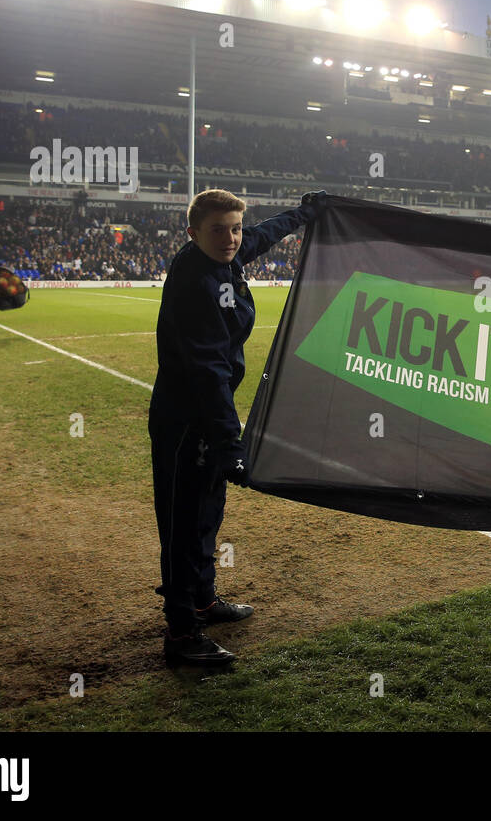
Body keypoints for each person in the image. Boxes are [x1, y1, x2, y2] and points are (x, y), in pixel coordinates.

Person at [150, 188, 321, 666]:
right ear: (192, 234)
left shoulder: (224, 253)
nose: (231, 238)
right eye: (219, 230)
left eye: (235, 228)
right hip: (186, 420)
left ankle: (203, 599)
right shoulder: (195, 284)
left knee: (207, 511)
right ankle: (181, 634)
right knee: (183, 523)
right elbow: (209, 372)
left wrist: (304, 214)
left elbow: (263, 235)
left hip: (207, 414)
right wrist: (229, 443)